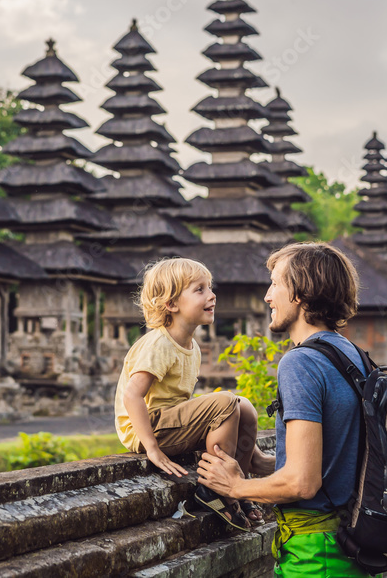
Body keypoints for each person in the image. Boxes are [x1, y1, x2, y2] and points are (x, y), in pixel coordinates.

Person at [197, 242, 370, 577]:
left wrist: (236, 487)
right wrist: (265, 464)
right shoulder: (351, 355)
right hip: (349, 542)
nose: (267, 296)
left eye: (276, 283)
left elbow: (303, 484)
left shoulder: (301, 362)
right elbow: (337, 450)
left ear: (301, 294)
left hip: (316, 553)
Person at [114, 257, 272, 530]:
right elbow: (132, 396)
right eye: (199, 289)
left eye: (210, 288)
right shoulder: (159, 343)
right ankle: (214, 489)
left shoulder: (192, 346)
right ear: (172, 304)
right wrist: (152, 448)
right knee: (225, 401)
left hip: (171, 422)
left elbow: (185, 406)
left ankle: (240, 481)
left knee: (243, 405)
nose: (212, 296)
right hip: (147, 427)